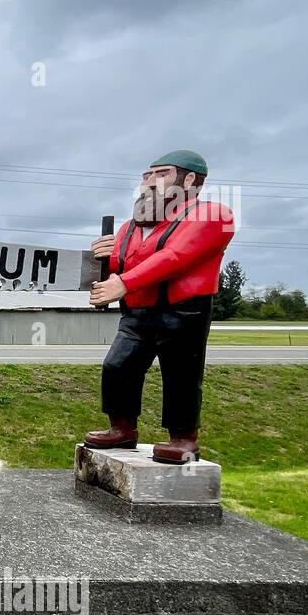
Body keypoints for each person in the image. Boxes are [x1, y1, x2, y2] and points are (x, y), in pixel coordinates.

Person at [84, 149, 235, 464]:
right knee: (118, 365)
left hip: (183, 310)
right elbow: (126, 261)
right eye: (146, 176)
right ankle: (122, 428)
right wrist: (103, 260)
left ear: (189, 179)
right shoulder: (129, 227)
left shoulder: (213, 215)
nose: (149, 182)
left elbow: (175, 257)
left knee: (181, 373)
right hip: (137, 310)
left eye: (161, 174)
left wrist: (123, 283)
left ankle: (183, 437)